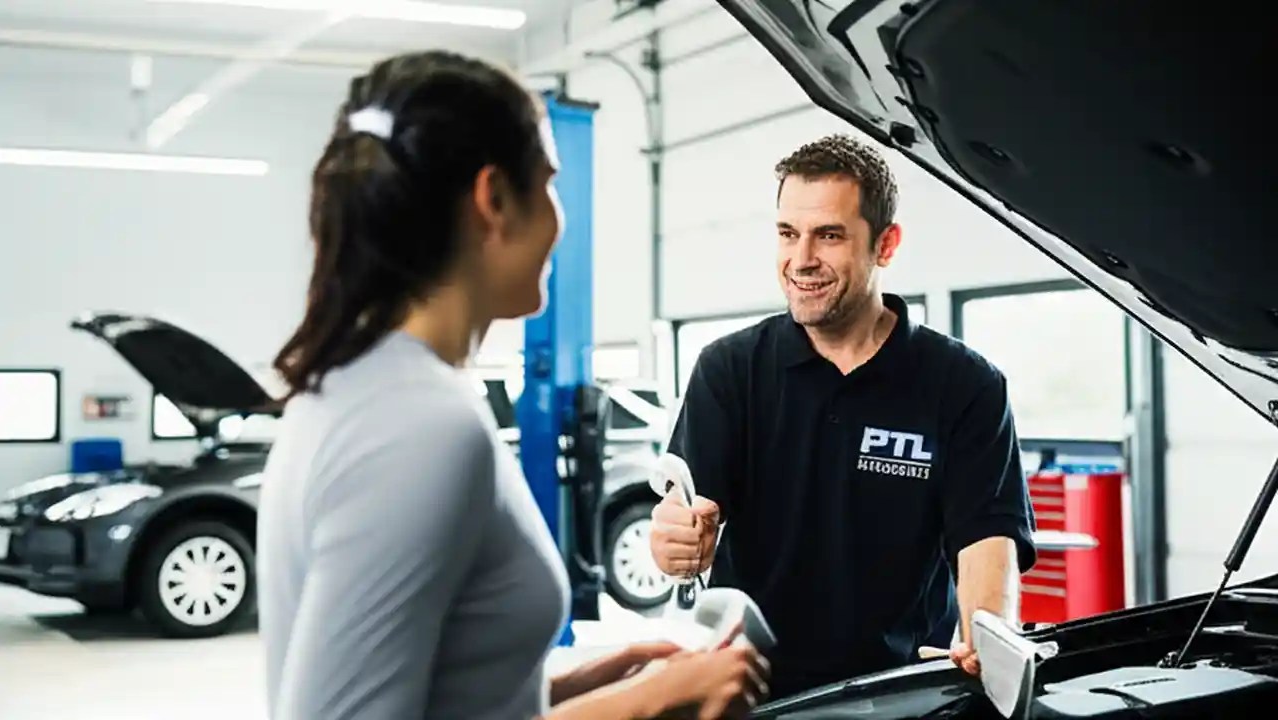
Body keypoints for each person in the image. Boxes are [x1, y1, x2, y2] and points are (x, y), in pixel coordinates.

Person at [256, 50, 769, 720]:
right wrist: (649, 704)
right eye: (550, 185)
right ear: (493, 199)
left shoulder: (366, 387)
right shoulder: (418, 424)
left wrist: (582, 684)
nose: (560, 219)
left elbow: (438, 693)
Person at [649, 134, 1037, 698]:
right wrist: (673, 542)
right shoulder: (729, 369)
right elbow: (688, 511)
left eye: (828, 235)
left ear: (886, 244)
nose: (801, 259)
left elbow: (987, 542)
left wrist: (987, 640)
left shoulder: (965, 385)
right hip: (751, 692)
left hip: (901, 694)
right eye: (788, 233)